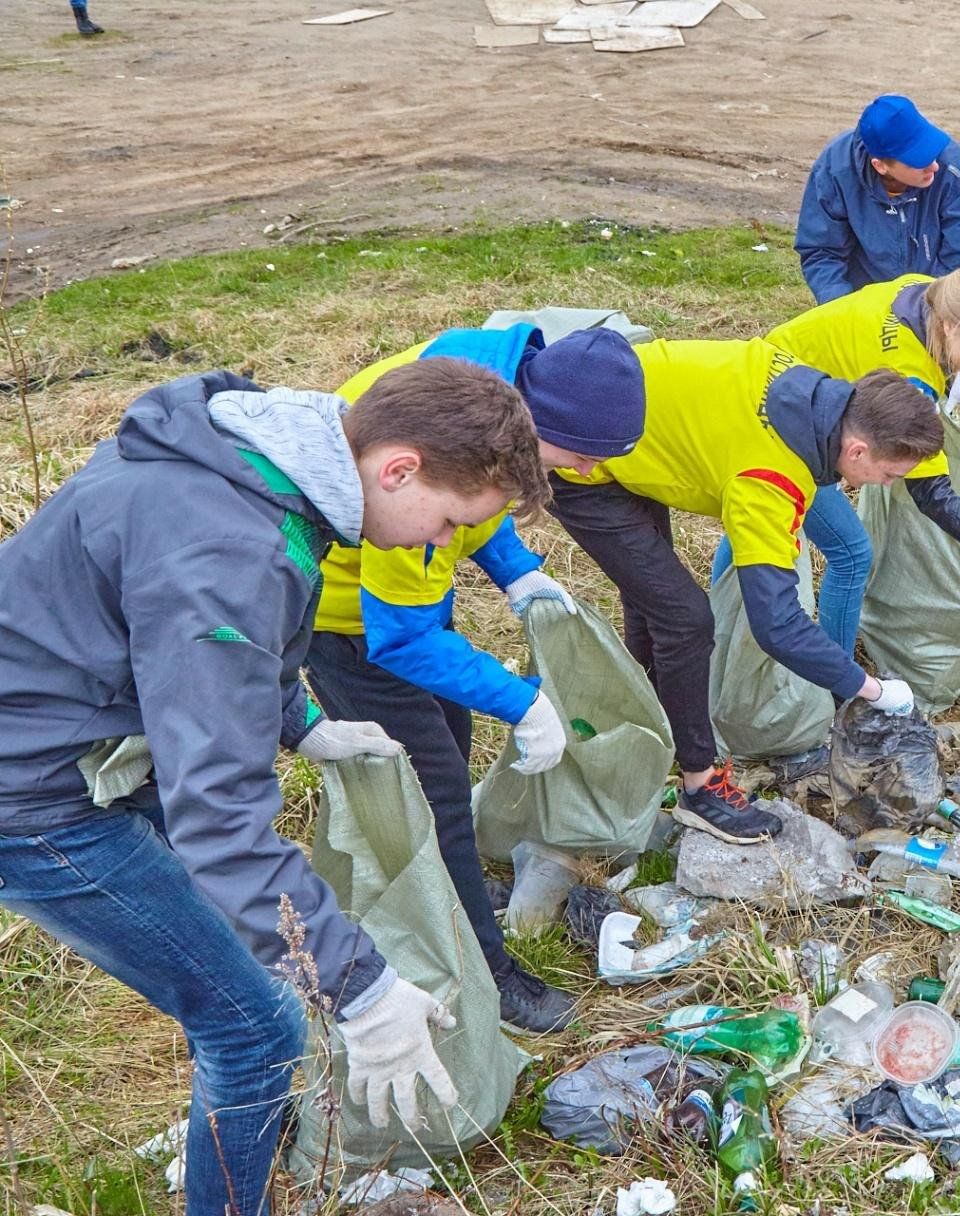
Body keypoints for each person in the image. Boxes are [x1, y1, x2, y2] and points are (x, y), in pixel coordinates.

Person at [0, 361, 551, 1216]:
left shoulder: (258, 463)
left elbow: (194, 630)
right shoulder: (228, 542)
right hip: (30, 793)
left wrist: (297, 719)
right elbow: (219, 818)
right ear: (398, 466)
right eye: (447, 523)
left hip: (79, 730)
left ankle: (226, 1117)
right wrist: (363, 990)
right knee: (258, 1027)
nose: (436, 548)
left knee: (237, 977)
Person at [542, 338, 960, 844]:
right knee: (686, 619)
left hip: (630, 430)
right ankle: (700, 787)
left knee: (656, 604)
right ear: (857, 449)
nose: (882, 486)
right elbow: (777, 625)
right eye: (887, 474)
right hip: (583, 458)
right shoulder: (770, 476)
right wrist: (871, 689)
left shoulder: (808, 388)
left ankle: (651, 734)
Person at [306, 323, 645, 1035]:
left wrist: (515, 569)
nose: (583, 476)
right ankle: (486, 975)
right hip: (349, 627)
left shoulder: (485, 404)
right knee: (431, 779)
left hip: (409, 612)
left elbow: (475, 508)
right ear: (538, 425)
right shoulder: (415, 481)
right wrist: (521, 702)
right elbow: (402, 637)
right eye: (578, 458)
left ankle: (450, 892)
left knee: (450, 745)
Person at [709, 264, 960, 655]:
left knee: (747, 526)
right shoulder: (907, 374)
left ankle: (718, 629)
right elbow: (932, 493)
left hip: (770, 379)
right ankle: (839, 686)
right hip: (779, 426)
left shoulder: (924, 291)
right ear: (950, 326)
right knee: (850, 553)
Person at [796, 94, 960, 305]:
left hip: (936, 303)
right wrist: (847, 310)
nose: (933, 166)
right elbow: (822, 252)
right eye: (918, 161)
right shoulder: (834, 170)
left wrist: (930, 313)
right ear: (880, 165)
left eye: (931, 151)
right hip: (864, 304)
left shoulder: (954, 169)